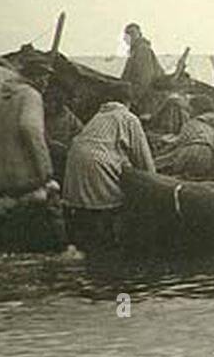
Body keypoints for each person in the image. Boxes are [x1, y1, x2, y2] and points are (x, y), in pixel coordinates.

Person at [0, 57, 65, 252]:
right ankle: (62, 257)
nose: (45, 82)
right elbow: (30, 128)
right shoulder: (31, 96)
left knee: (1, 218)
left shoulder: (1, 100)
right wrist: (46, 171)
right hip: (24, 175)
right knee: (51, 214)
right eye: (43, 77)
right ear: (34, 77)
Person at [63, 87, 156, 250]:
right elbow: (143, 159)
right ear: (129, 102)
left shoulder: (98, 117)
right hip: (97, 163)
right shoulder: (128, 117)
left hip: (75, 161)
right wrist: (155, 185)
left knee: (85, 211)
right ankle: (108, 247)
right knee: (110, 207)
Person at [120, 23, 165, 110]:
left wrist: (132, 100)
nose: (130, 36)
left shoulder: (142, 50)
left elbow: (144, 79)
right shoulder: (135, 51)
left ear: (139, 35)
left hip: (145, 100)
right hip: (141, 95)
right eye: (128, 34)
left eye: (132, 33)